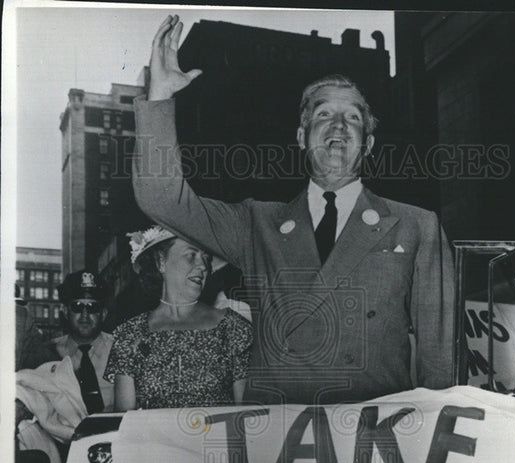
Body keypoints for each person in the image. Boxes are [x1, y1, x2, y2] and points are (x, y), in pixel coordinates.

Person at [133, 15, 456, 406]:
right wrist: (160, 98)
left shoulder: (416, 226)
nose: (338, 125)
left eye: (352, 117)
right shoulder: (258, 224)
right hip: (281, 441)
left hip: (373, 437)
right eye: (323, 115)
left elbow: (440, 362)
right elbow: (161, 199)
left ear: (368, 144)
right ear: (302, 138)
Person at [104, 226, 253, 410]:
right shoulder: (130, 334)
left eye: (206, 258)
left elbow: (246, 416)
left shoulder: (233, 327)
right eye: (191, 256)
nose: (203, 266)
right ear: (161, 262)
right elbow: (125, 422)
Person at [53, 270, 115, 413]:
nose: (85, 315)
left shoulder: (120, 350)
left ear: (103, 314)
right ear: (65, 311)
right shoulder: (49, 353)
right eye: (78, 306)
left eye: (93, 308)